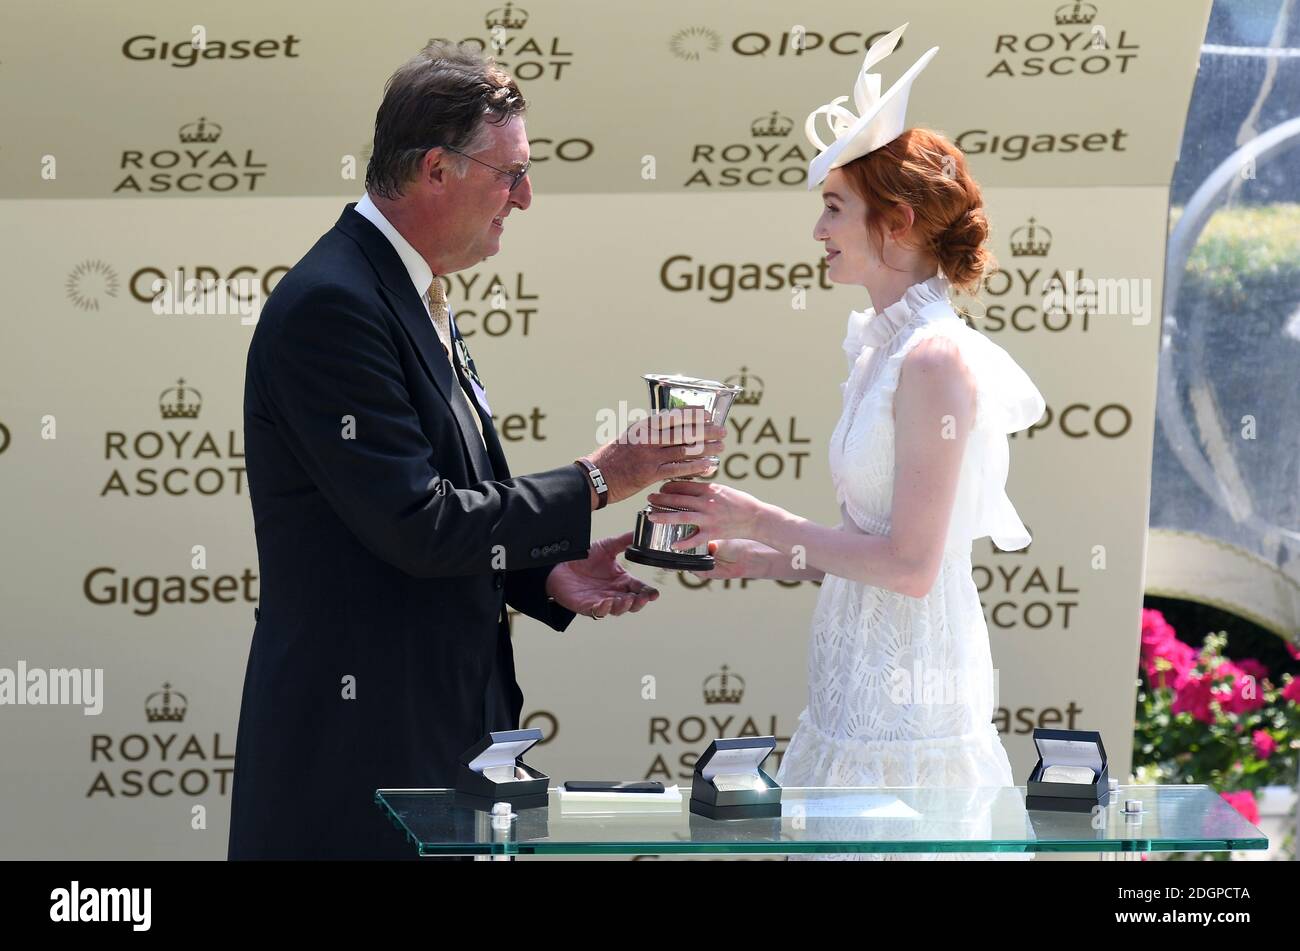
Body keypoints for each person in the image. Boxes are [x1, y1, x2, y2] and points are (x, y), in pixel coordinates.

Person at [228, 42, 723, 860]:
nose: (525, 198)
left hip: (433, 742)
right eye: (510, 174)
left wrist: (541, 570)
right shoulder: (336, 306)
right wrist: (607, 475)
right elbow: (415, 521)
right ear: (436, 169)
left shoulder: (407, 288)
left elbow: (436, 501)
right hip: (361, 761)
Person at [647, 24, 1045, 860]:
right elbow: (868, 545)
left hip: (908, 705)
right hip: (850, 683)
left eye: (833, 207)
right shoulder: (881, 343)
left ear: (895, 223)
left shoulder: (933, 357)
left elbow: (909, 564)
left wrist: (756, 516)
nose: (818, 230)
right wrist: (762, 557)